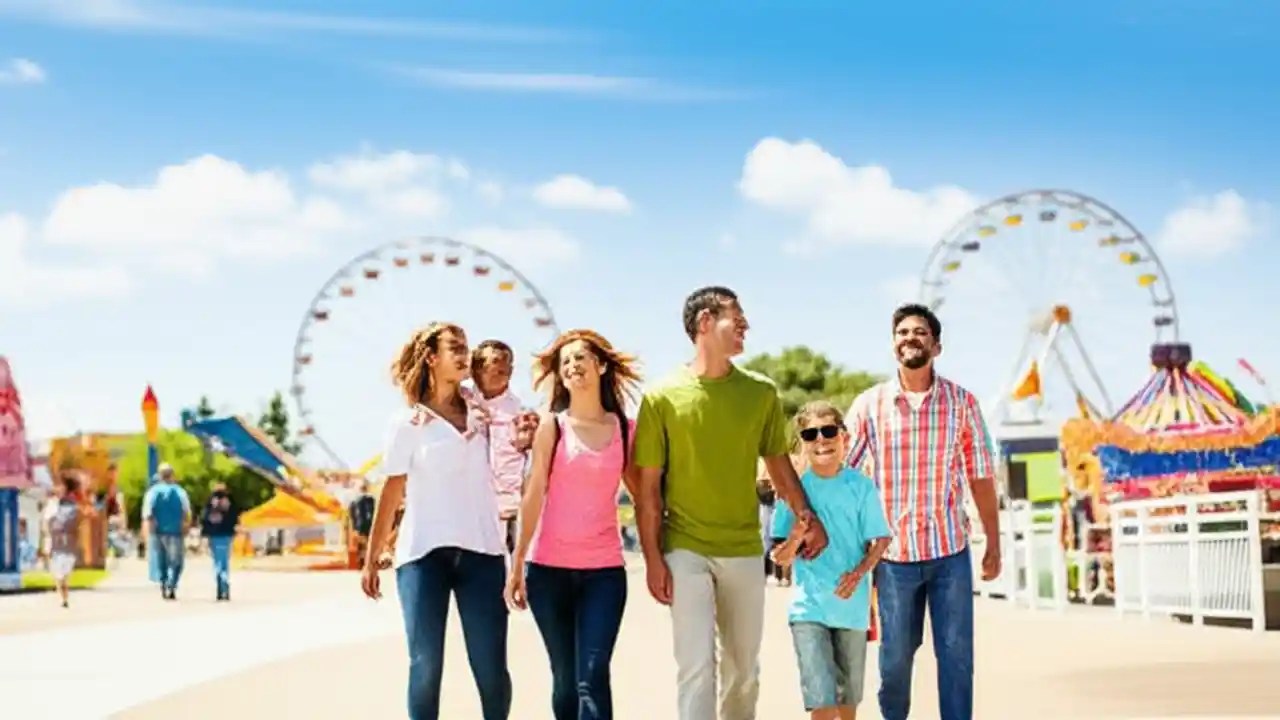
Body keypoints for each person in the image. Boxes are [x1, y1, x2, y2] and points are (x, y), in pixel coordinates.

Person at [632, 285, 829, 720]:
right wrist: (652, 558)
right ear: (705, 322)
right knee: (696, 666)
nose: (745, 327)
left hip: (742, 548)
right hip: (684, 547)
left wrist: (807, 517)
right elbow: (647, 490)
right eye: (735, 318)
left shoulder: (760, 393)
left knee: (744, 673)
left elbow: (779, 467)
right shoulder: (661, 397)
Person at [844, 303, 1001, 720]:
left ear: (937, 345)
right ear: (893, 344)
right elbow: (846, 480)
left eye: (920, 332)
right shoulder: (868, 406)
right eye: (902, 332)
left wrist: (994, 543)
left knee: (956, 655)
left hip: (949, 551)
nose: (910, 338)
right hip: (892, 557)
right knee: (895, 659)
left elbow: (981, 476)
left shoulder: (963, 403)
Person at [361, 322, 511, 720]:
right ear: (431, 357)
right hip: (422, 555)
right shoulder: (407, 423)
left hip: (484, 552)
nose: (466, 355)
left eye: (466, 347)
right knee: (425, 666)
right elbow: (391, 493)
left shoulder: (485, 413)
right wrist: (371, 556)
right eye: (455, 348)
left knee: (492, 669)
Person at [504, 329, 641, 720]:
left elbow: (646, 498)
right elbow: (532, 497)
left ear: (600, 366)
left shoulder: (625, 429)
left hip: (605, 573)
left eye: (580, 357)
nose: (573, 365)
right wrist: (517, 566)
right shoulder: (552, 426)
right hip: (548, 571)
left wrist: (659, 554)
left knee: (593, 675)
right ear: (560, 377)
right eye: (565, 362)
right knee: (565, 680)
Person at [772, 401, 891, 720]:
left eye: (828, 431)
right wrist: (796, 536)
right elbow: (778, 558)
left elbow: (881, 539)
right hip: (808, 609)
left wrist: (858, 574)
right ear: (802, 443)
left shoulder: (861, 487)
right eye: (810, 434)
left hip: (852, 610)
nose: (821, 440)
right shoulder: (793, 491)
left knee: (847, 705)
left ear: (845, 438)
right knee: (822, 702)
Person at [471, 339, 527, 552]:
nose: (502, 366)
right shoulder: (459, 401)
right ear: (477, 368)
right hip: (465, 510)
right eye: (493, 361)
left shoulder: (521, 413)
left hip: (508, 512)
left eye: (507, 363)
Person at [142, 462, 192, 601]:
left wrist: (148, 530)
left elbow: (147, 513)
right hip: (176, 531)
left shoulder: (152, 492)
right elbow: (186, 511)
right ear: (172, 475)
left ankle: (164, 583)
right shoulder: (180, 491)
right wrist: (186, 525)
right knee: (176, 561)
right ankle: (172, 584)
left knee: (161, 560)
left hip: (158, 531)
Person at [42, 475, 82, 609]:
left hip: (68, 545)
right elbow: (45, 523)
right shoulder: (51, 505)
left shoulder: (72, 505)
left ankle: (64, 592)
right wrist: (47, 538)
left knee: (65, 572)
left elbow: (77, 524)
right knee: (57, 573)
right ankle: (62, 597)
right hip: (54, 543)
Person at [200, 482, 240, 601]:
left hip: (214, 535)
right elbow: (235, 517)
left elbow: (204, 518)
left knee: (217, 561)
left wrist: (205, 534)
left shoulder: (210, 502)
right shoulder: (229, 501)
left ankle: (220, 585)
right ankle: (224, 585)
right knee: (224, 561)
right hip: (226, 534)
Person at [348, 479, 376, 564]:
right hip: (367, 525)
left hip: (360, 525)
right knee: (367, 544)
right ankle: (365, 560)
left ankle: (363, 560)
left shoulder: (355, 501)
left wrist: (354, 527)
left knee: (364, 545)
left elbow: (352, 515)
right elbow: (373, 512)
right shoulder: (370, 500)